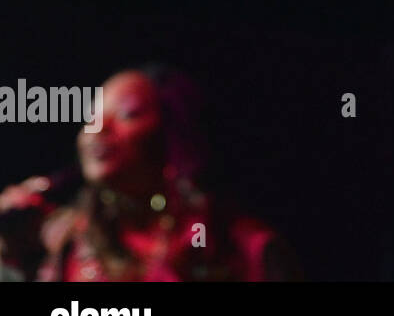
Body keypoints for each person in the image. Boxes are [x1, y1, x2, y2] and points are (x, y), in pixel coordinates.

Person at [0, 64, 299, 281]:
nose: (98, 130)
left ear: (171, 131)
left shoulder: (245, 248)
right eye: (91, 117)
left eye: (127, 114)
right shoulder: (68, 242)